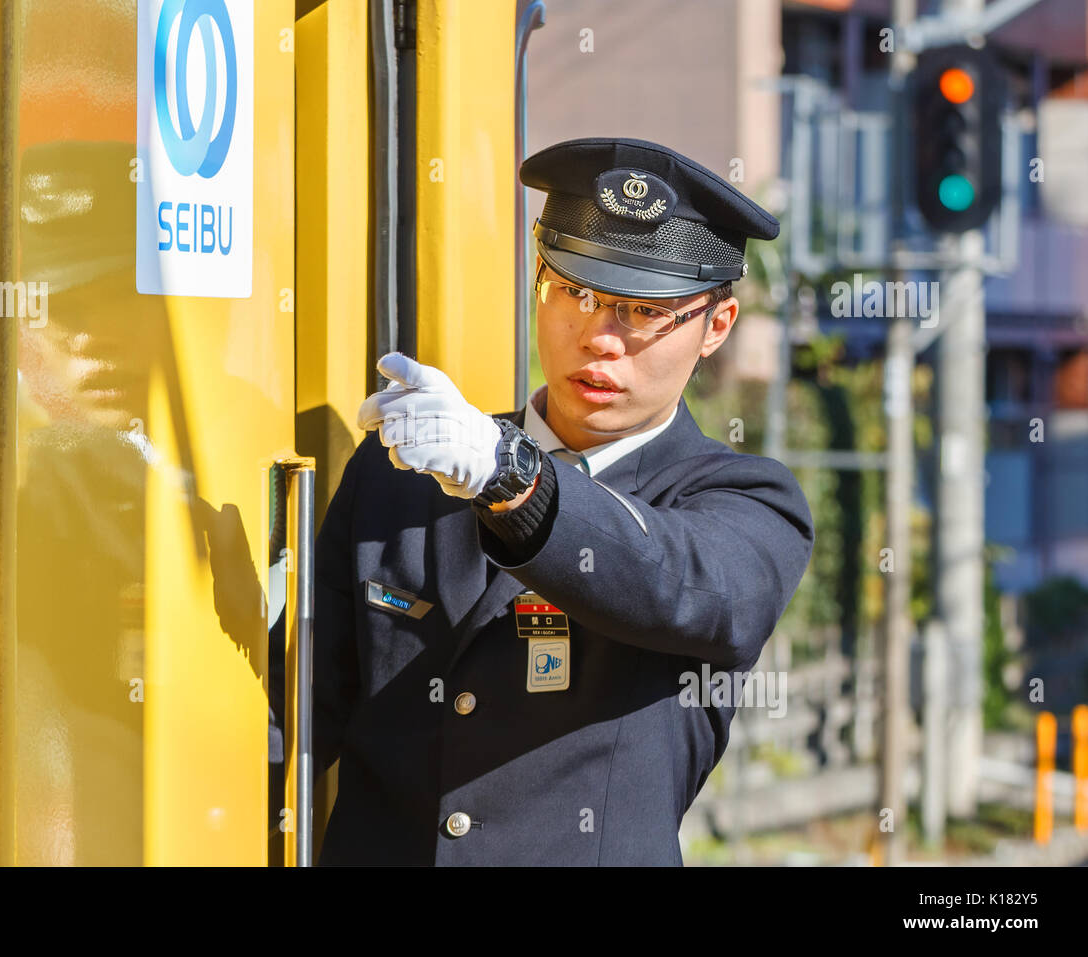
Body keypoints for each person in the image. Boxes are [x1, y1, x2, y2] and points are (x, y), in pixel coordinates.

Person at [312, 137, 814, 865]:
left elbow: (679, 581)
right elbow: (297, 713)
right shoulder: (404, 468)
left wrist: (508, 473)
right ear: (537, 278)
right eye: (574, 291)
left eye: (643, 312)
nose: (599, 338)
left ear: (717, 326)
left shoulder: (743, 503)